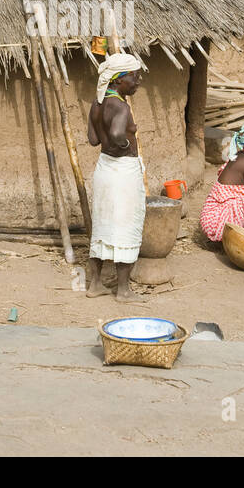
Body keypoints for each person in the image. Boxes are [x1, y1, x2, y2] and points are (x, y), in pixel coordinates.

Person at [85, 52, 147, 302]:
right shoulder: (121, 106)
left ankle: (95, 285)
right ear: (119, 79)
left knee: (102, 226)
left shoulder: (97, 103)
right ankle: (123, 291)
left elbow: (93, 139)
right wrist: (121, 144)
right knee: (125, 227)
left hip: (104, 169)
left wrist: (110, 142)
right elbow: (118, 133)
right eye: (134, 76)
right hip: (122, 172)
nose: (138, 80)